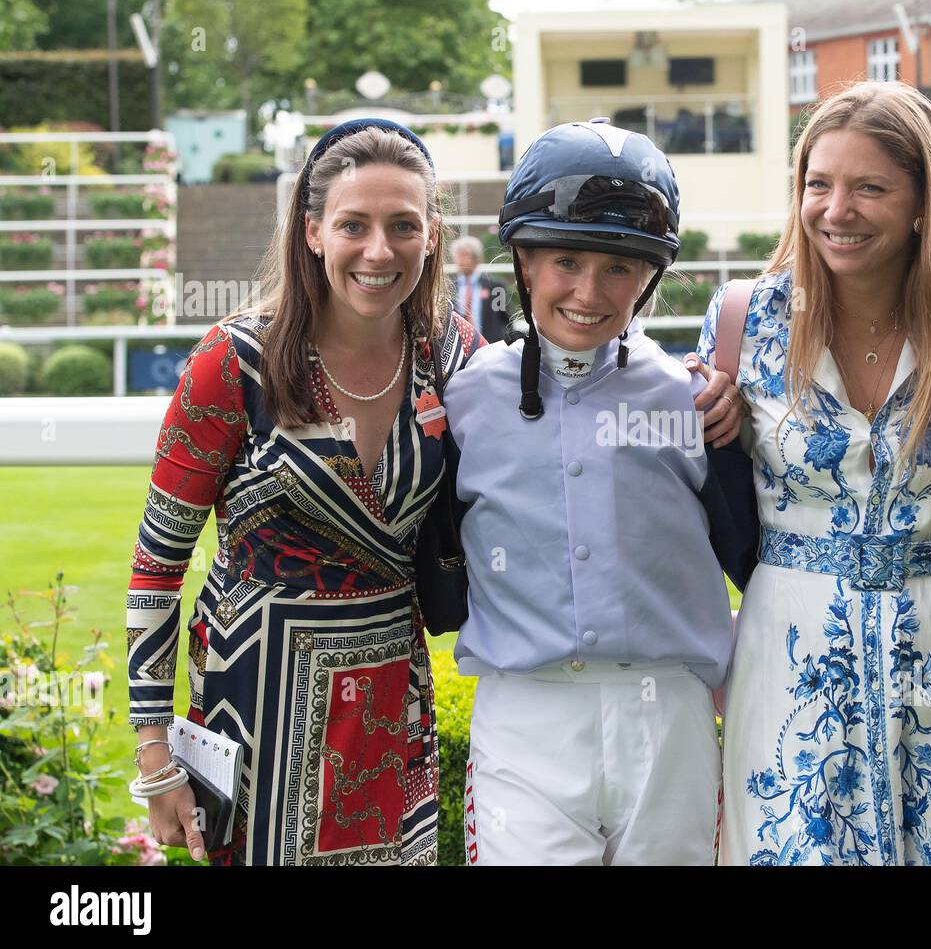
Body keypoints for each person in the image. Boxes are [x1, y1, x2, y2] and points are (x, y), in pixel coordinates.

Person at [126, 119, 480, 865]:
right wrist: (153, 752)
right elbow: (159, 566)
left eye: (403, 225)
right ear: (313, 230)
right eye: (354, 224)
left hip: (391, 701)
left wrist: (692, 397)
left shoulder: (454, 355)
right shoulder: (234, 363)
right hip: (252, 710)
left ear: (433, 233)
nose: (379, 251)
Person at [697, 82, 931, 866]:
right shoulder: (746, 317)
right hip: (788, 650)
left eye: (869, 186)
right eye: (818, 184)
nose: (836, 209)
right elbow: (685, 477)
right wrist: (708, 417)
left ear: (921, 204)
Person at [442, 119, 749, 865]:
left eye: (618, 268)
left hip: (667, 717)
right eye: (565, 261)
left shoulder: (694, 400)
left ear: (650, 276)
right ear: (521, 258)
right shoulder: (465, 399)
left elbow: (750, 553)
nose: (587, 291)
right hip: (525, 715)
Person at [451, 234, 513, 343]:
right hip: (460, 348)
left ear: (477, 258)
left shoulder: (495, 287)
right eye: (459, 255)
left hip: (490, 347)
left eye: (466, 255)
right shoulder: (449, 288)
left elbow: (506, 321)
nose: (462, 260)